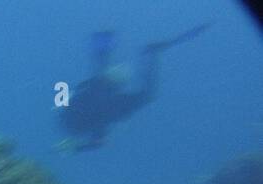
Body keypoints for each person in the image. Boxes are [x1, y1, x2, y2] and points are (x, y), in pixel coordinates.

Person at [57, 24, 209, 153]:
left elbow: (97, 140)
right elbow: (79, 92)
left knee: (145, 95)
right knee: (109, 80)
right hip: (105, 96)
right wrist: (77, 147)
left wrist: (77, 148)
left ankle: (146, 53)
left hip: (107, 99)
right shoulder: (86, 112)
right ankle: (112, 44)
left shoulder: (91, 119)